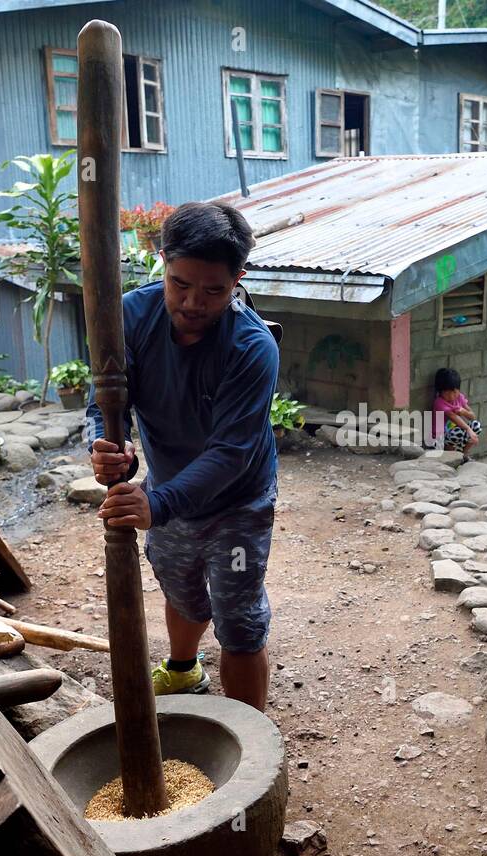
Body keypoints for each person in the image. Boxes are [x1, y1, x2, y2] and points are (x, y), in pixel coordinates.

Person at [85, 201, 279, 713]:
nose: (194, 302)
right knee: (182, 586)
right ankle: (184, 669)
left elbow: (231, 453)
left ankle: (253, 736)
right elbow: (104, 396)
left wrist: (158, 503)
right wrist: (106, 444)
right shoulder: (128, 315)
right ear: (161, 259)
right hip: (170, 492)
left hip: (238, 502)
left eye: (214, 290)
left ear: (238, 278)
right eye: (180, 283)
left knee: (236, 615)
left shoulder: (252, 347)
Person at [428, 367, 482, 455]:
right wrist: (468, 429)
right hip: (440, 438)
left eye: (454, 392)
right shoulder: (439, 402)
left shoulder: (460, 397)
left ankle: (464, 455)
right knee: (458, 432)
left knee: (476, 425)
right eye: (447, 393)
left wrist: (464, 412)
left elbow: (472, 416)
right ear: (440, 391)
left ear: (458, 390)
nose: (452, 396)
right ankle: (451, 457)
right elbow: (454, 417)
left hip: (456, 436)